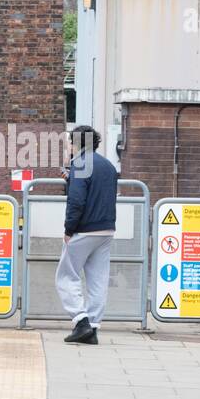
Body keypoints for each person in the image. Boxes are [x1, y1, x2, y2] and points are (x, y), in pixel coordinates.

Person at [55, 126, 118, 344]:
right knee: (98, 279)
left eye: (71, 143)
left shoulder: (80, 164)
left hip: (84, 229)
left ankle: (81, 321)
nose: (69, 147)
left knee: (66, 275)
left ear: (78, 144)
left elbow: (77, 201)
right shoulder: (108, 166)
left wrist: (68, 229)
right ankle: (92, 328)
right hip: (107, 229)